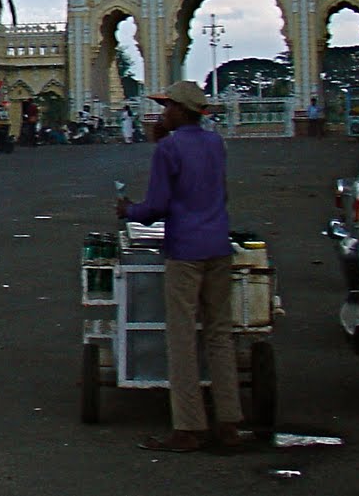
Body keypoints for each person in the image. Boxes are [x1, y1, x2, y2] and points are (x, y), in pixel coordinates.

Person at [116, 80, 244, 452]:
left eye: (167, 107)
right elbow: (220, 192)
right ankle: (229, 422)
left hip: (185, 250)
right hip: (218, 245)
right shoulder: (215, 143)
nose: (162, 113)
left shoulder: (169, 148)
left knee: (182, 337)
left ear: (180, 111)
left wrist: (129, 210)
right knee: (219, 334)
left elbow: (156, 206)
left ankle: (188, 427)